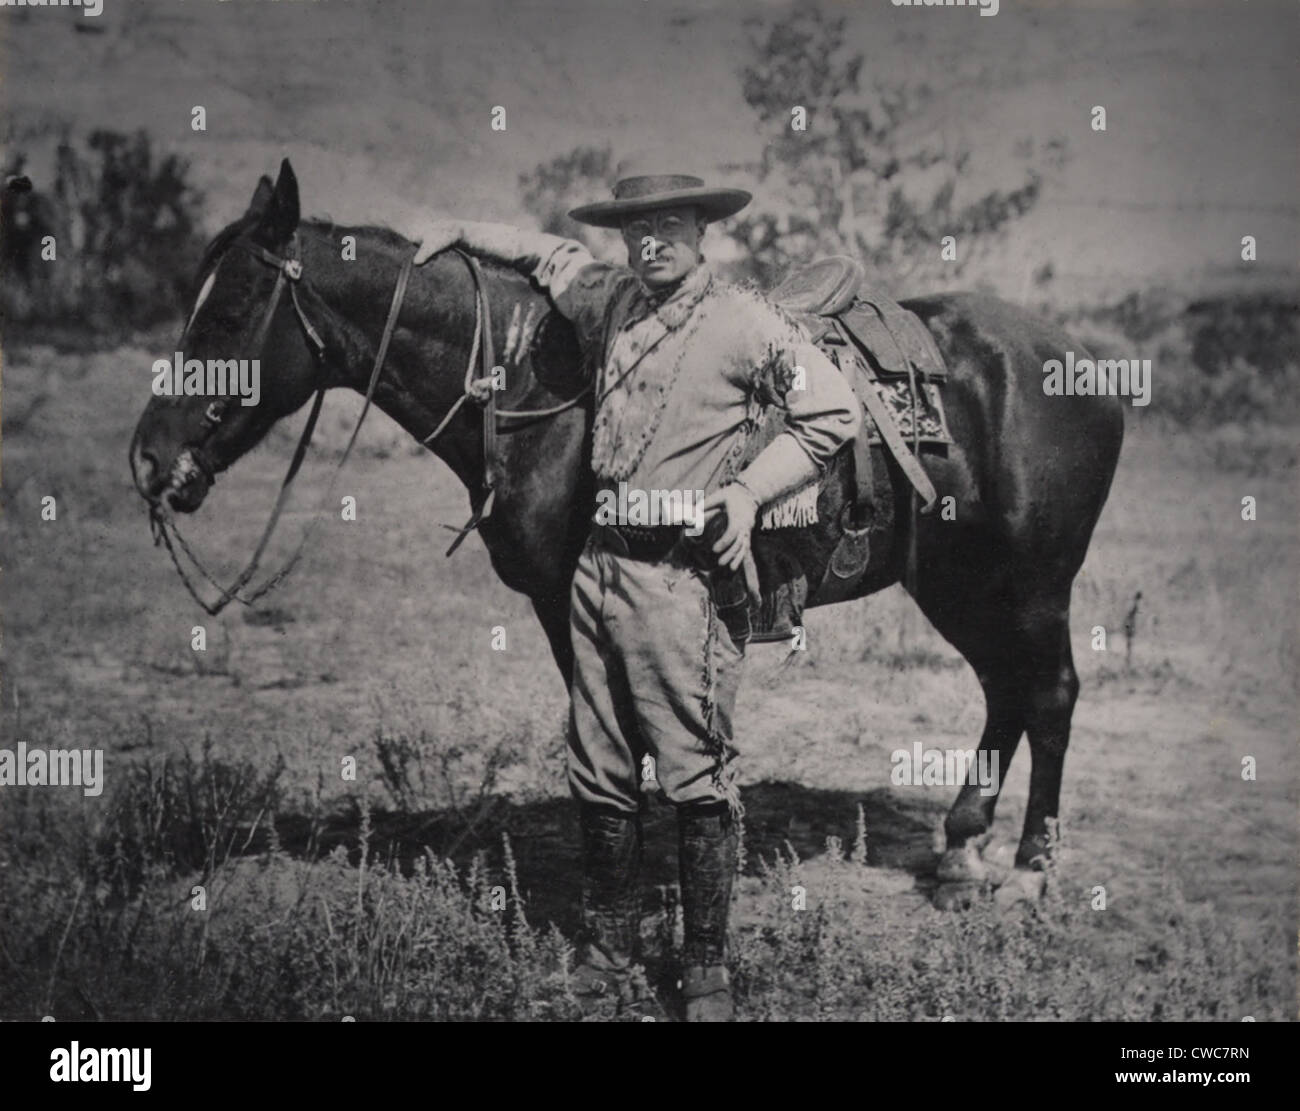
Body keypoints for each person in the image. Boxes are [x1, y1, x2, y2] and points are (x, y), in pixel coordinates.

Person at [405, 156, 861, 1020]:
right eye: (635, 229)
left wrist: (749, 491)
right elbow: (547, 258)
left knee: (695, 780)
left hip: (682, 583)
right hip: (597, 573)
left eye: (669, 226)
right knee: (600, 771)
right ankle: (607, 954)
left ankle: (704, 972)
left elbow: (832, 409)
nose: (652, 241)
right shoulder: (611, 302)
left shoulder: (742, 323)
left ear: (701, 232)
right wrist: (463, 231)